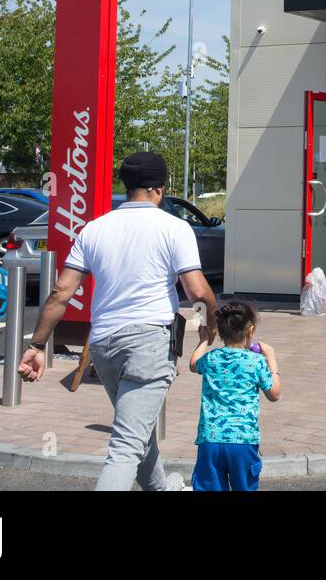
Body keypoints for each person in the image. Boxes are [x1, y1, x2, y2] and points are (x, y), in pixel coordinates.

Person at [18, 151, 218, 491]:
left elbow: (60, 291)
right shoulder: (174, 227)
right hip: (150, 344)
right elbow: (197, 290)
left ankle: (163, 488)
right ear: (159, 189)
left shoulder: (94, 229)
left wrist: (37, 345)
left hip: (104, 345)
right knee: (126, 443)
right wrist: (209, 321)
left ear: (126, 187)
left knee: (135, 430)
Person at [188, 301, 281, 491]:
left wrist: (205, 339)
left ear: (220, 333)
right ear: (251, 330)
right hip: (243, 441)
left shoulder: (212, 358)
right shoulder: (256, 361)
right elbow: (274, 394)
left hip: (210, 440)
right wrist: (271, 359)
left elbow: (193, 363)